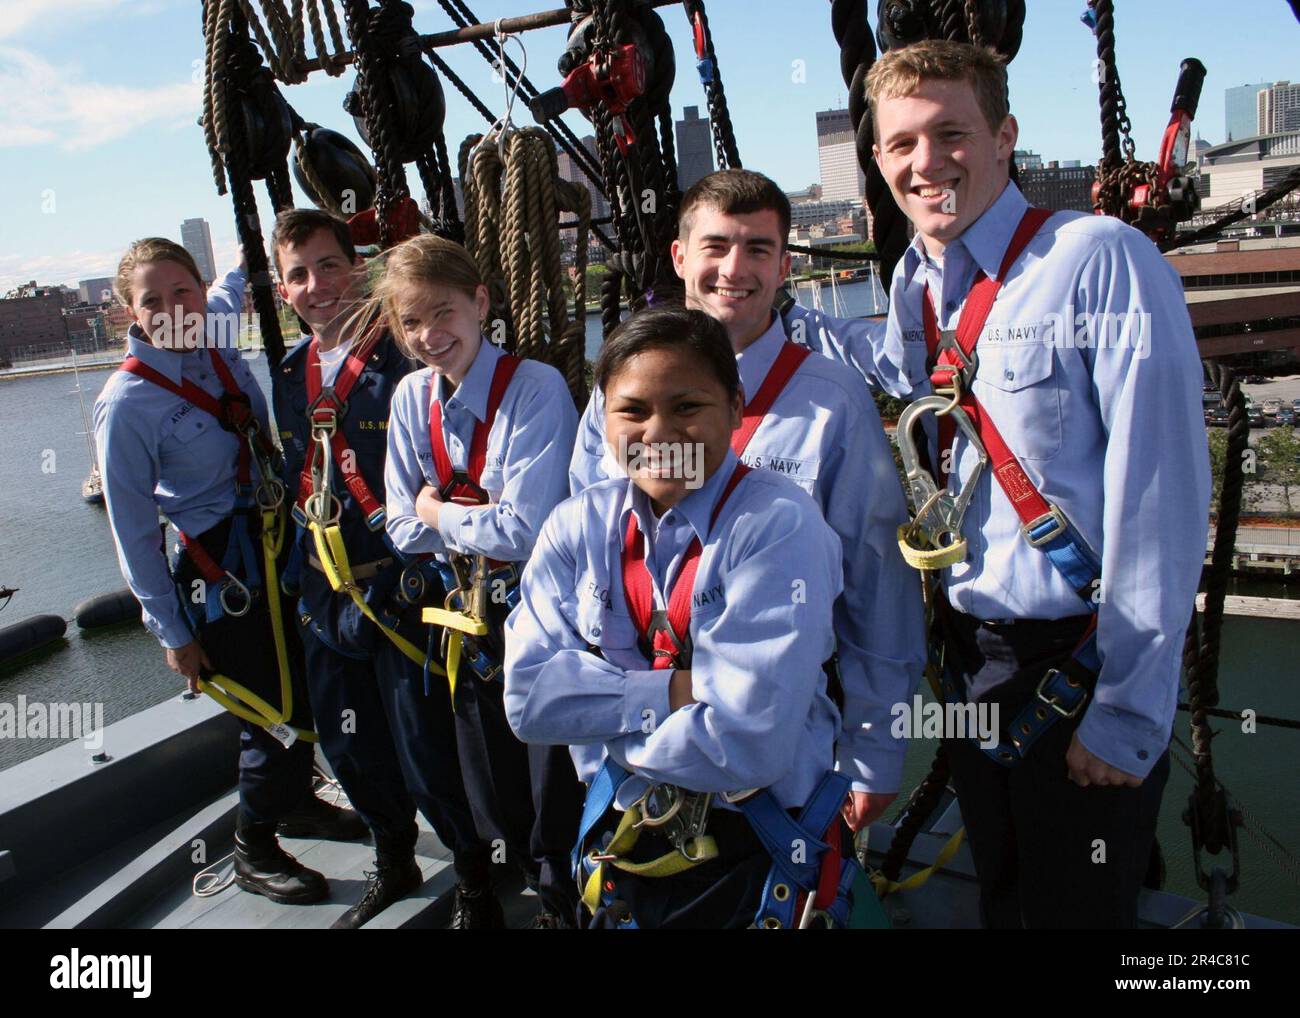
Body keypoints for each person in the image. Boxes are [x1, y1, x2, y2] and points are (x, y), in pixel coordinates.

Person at [867, 40, 1211, 927]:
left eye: (952, 134)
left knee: (1078, 912)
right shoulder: (915, 288)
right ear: (877, 158)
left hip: (1079, 671)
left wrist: (1130, 714)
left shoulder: (1100, 260)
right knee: (1006, 899)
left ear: (1005, 135)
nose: (925, 162)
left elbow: (1160, 498)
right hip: (972, 667)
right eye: (901, 143)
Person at [569, 170, 926, 832]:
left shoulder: (831, 404)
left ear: (785, 265)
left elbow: (878, 595)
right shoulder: (615, 393)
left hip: (778, 758)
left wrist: (874, 753)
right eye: (716, 246)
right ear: (680, 258)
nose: (735, 268)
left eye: (758, 249)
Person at [506, 306, 855, 929]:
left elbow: (748, 745)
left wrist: (595, 712)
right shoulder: (576, 527)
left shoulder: (777, 528)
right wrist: (676, 689)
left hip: (758, 845)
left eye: (688, 407)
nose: (659, 432)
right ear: (602, 416)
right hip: (625, 845)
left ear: (735, 404)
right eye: (633, 411)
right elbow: (528, 702)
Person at [94, 238, 363, 907]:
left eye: (181, 291)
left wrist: (251, 253)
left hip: (277, 540)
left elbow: (229, 284)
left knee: (307, 682)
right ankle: (254, 845)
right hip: (223, 573)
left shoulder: (211, 330)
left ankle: (298, 802)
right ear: (128, 312)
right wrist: (170, 630)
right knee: (269, 709)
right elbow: (132, 530)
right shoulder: (127, 402)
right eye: (151, 300)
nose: (172, 308)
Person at [270, 209, 494, 929]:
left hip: (400, 587)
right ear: (282, 290)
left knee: (426, 746)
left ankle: (474, 879)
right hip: (325, 592)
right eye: (299, 274)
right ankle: (392, 857)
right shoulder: (284, 375)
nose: (317, 285)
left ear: (358, 267)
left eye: (330, 265)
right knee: (351, 746)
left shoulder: (403, 357)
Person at [382, 234, 581, 927]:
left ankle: (568, 904)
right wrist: (463, 519)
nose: (430, 336)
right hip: (466, 627)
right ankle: (534, 887)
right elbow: (396, 527)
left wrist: (436, 508)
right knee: (495, 793)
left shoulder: (534, 390)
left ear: (480, 303)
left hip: (541, 618)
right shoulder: (412, 399)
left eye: (444, 313)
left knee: (554, 782)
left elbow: (526, 529)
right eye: (411, 322)